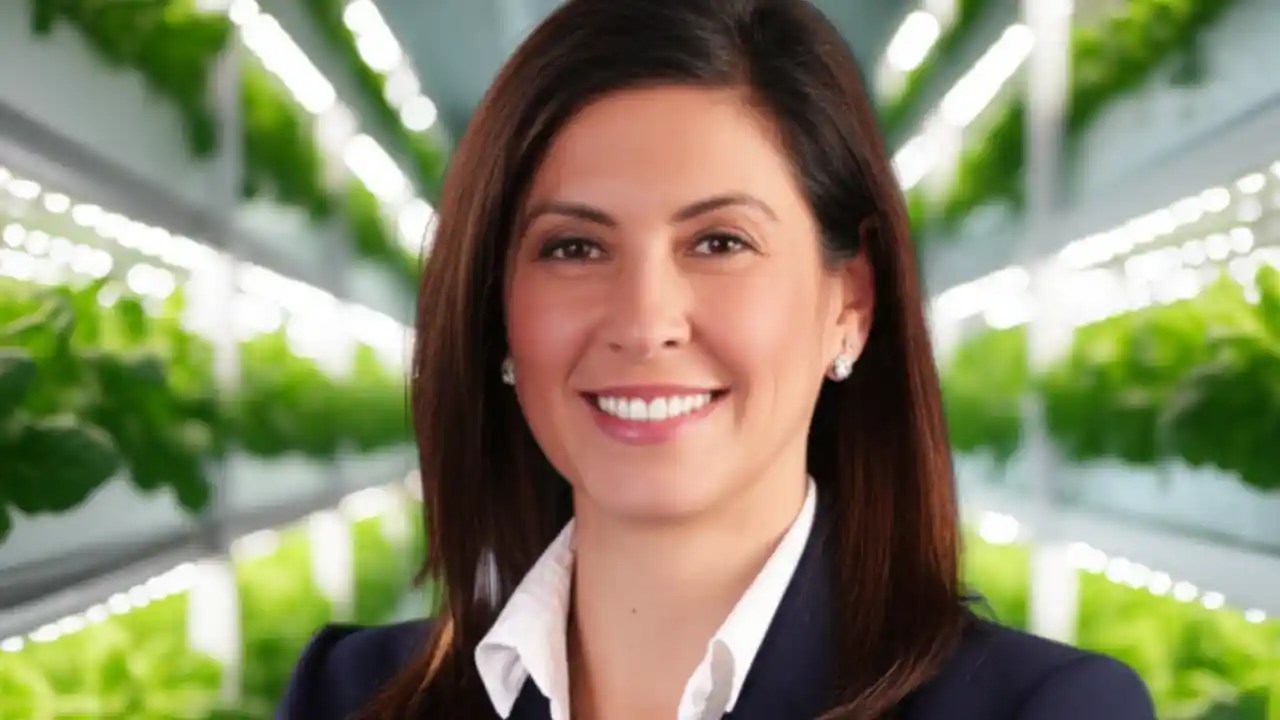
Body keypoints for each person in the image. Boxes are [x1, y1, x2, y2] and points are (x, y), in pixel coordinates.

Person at [277, 0, 1155, 718]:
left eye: (720, 241)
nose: (644, 321)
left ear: (850, 304)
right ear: (497, 313)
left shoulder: (1043, 709)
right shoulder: (351, 696)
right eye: (574, 248)